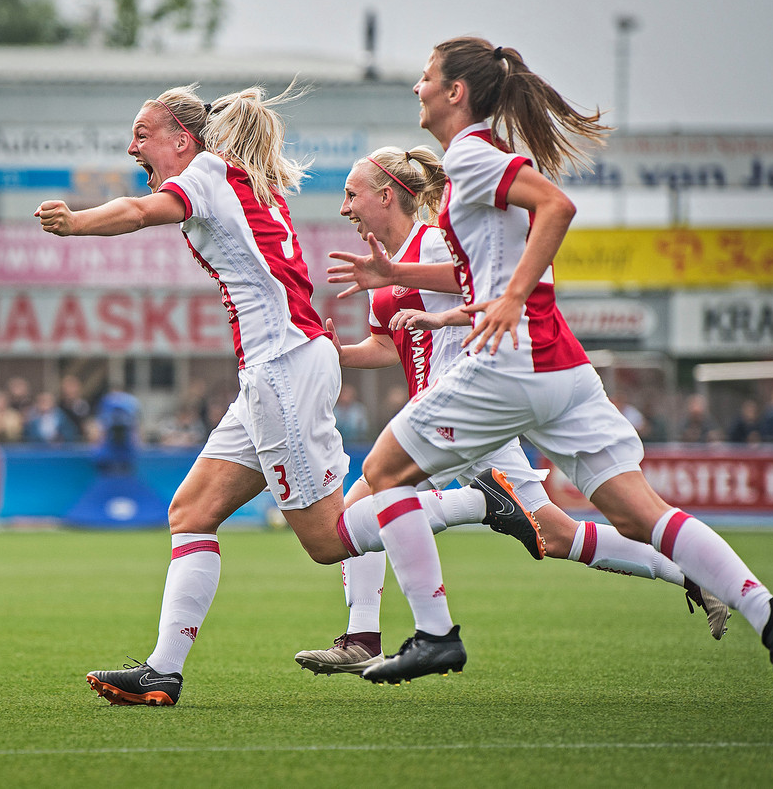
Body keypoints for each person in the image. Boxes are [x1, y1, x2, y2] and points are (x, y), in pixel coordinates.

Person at [327, 37, 773, 714]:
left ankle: (436, 628)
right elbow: (513, 254)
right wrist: (423, 286)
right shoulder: (481, 160)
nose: (417, 86)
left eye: (427, 76)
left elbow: (558, 207)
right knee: (640, 514)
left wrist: (508, 299)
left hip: (506, 367)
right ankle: (771, 613)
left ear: (456, 92)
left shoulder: (468, 152)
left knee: (378, 480)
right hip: (561, 367)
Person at [33, 83, 525, 707]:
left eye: (142, 131)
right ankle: (162, 671)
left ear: (183, 140)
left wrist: (76, 223)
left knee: (326, 540)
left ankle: (480, 505)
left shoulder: (209, 173)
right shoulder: (242, 180)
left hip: (283, 368)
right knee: (190, 512)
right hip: (277, 369)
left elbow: (136, 212)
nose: (132, 144)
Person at [294, 147, 728, 676]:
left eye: (351, 194)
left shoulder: (429, 242)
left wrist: (398, 279)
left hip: (467, 408)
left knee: (368, 502)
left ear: (386, 195)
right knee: (558, 535)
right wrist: (334, 354)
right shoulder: (384, 265)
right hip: (452, 418)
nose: (345, 208)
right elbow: (387, 346)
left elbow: (481, 283)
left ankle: (392, 605)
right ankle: (689, 569)